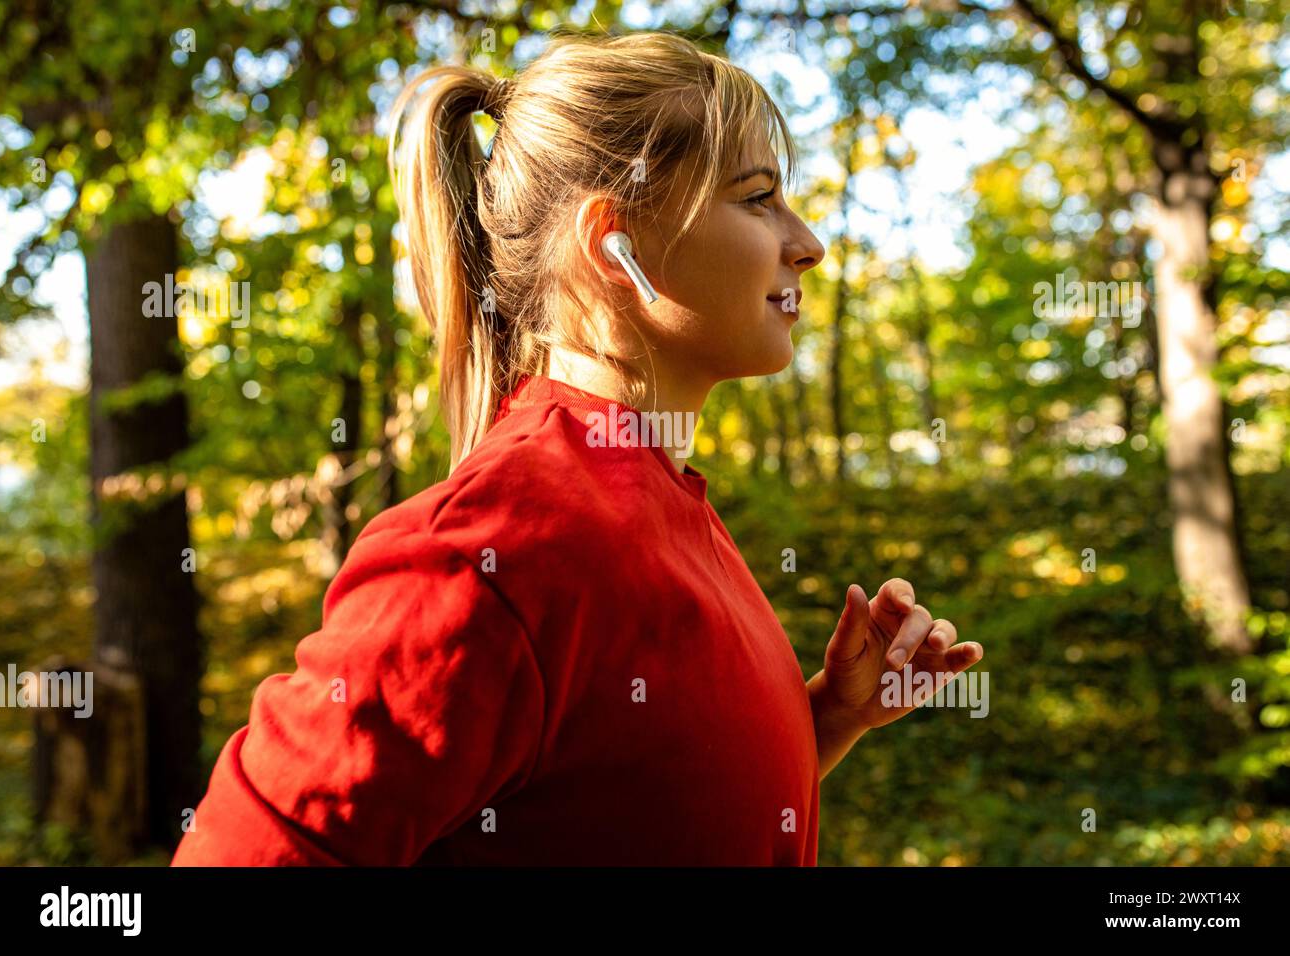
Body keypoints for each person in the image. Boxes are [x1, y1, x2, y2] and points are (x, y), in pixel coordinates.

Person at [171, 31, 983, 867]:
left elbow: (640, 812)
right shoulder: (493, 550)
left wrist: (829, 718)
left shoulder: (660, 498)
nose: (808, 241)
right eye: (757, 197)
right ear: (614, 249)